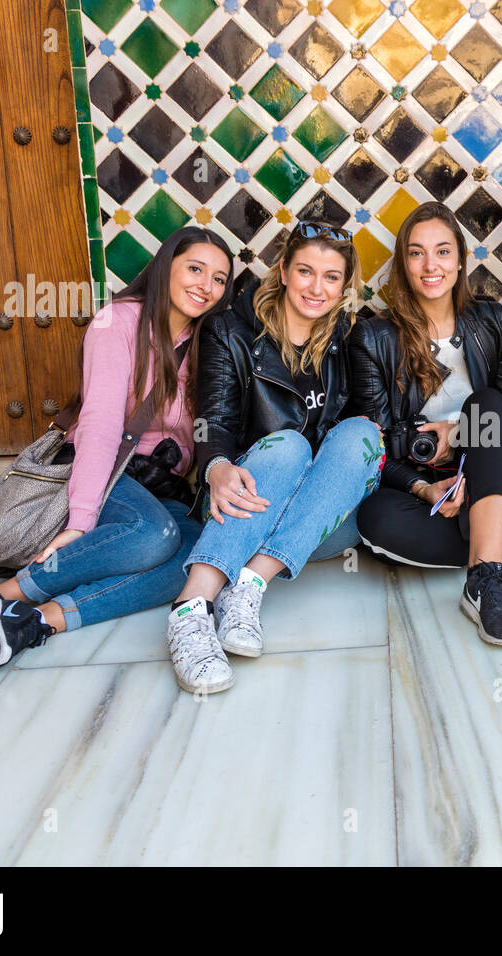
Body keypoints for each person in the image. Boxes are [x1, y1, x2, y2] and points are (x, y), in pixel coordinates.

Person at [0, 226, 234, 666]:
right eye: (196, 269)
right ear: (167, 266)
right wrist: (82, 518)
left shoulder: (208, 342)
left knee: (192, 558)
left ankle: (36, 622)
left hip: (159, 486)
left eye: (219, 279)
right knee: (154, 535)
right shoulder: (120, 322)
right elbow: (100, 424)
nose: (206, 286)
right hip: (104, 471)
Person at [352, 202, 502, 647]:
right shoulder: (373, 336)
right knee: (373, 521)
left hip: (485, 474)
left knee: (486, 402)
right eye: (416, 253)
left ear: (460, 260)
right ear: (403, 262)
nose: (430, 266)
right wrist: (423, 488)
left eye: (442, 252)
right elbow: (375, 442)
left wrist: (458, 434)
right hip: (418, 485)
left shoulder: (492, 322)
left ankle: (484, 580)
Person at [164, 221, 385, 694]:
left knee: (363, 434)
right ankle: (190, 610)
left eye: (331, 277)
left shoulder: (350, 337)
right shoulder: (231, 330)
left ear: (344, 286)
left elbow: (372, 423)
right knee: (290, 445)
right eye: (305, 271)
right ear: (283, 270)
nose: (316, 287)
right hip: (240, 505)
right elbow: (214, 420)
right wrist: (217, 465)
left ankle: (247, 588)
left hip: (314, 522)